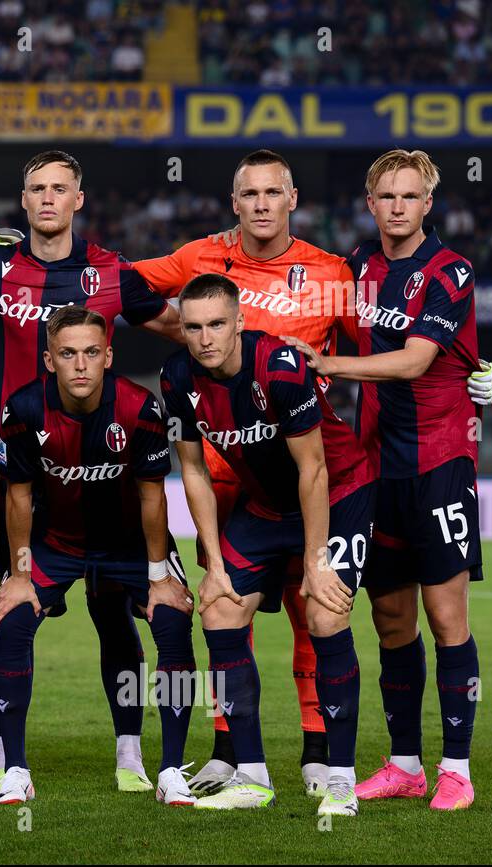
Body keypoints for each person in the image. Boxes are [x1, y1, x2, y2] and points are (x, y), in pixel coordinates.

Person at [0, 149, 183, 791]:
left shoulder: (110, 272)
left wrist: (265, 342)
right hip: (20, 468)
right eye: (36, 188)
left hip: (107, 475)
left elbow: (183, 326)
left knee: (113, 614)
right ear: (24, 201)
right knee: (4, 608)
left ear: (78, 199)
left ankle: (134, 753)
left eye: (58, 189)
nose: (47, 199)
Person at [283, 149, 483, 811]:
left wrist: (327, 366)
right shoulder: (361, 267)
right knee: (391, 620)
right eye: (386, 197)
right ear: (370, 204)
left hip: (440, 464)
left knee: (445, 616)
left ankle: (456, 767)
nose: (397, 207)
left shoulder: (449, 271)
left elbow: (417, 361)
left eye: (409, 197)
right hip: (377, 469)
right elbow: (315, 317)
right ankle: (405, 764)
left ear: (428, 204)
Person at [160, 274, 376, 816]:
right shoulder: (176, 377)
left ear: (238, 323)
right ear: (181, 329)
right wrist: (211, 562)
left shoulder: (280, 367)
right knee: (220, 608)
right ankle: (253, 777)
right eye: (194, 326)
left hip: (339, 489)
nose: (206, 337)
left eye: (216, 324)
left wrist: (317, 561)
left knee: (326, 614)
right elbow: (193, 472)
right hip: (262, 505)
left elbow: (314, 468)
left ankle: (342, 780)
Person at [0, 305, 196, 805]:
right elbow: (16, 495)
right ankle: (13, 767)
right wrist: (19, 575)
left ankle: (164, 768)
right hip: (57, 542)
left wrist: (158, 575)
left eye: (89, 353)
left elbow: (153, 495)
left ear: (108, 356)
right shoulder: (23, 408)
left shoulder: (139, 407)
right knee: (14, 621)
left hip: (130, 545)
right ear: (49, 359)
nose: (79, 365)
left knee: (170, 623)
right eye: (67, 354)